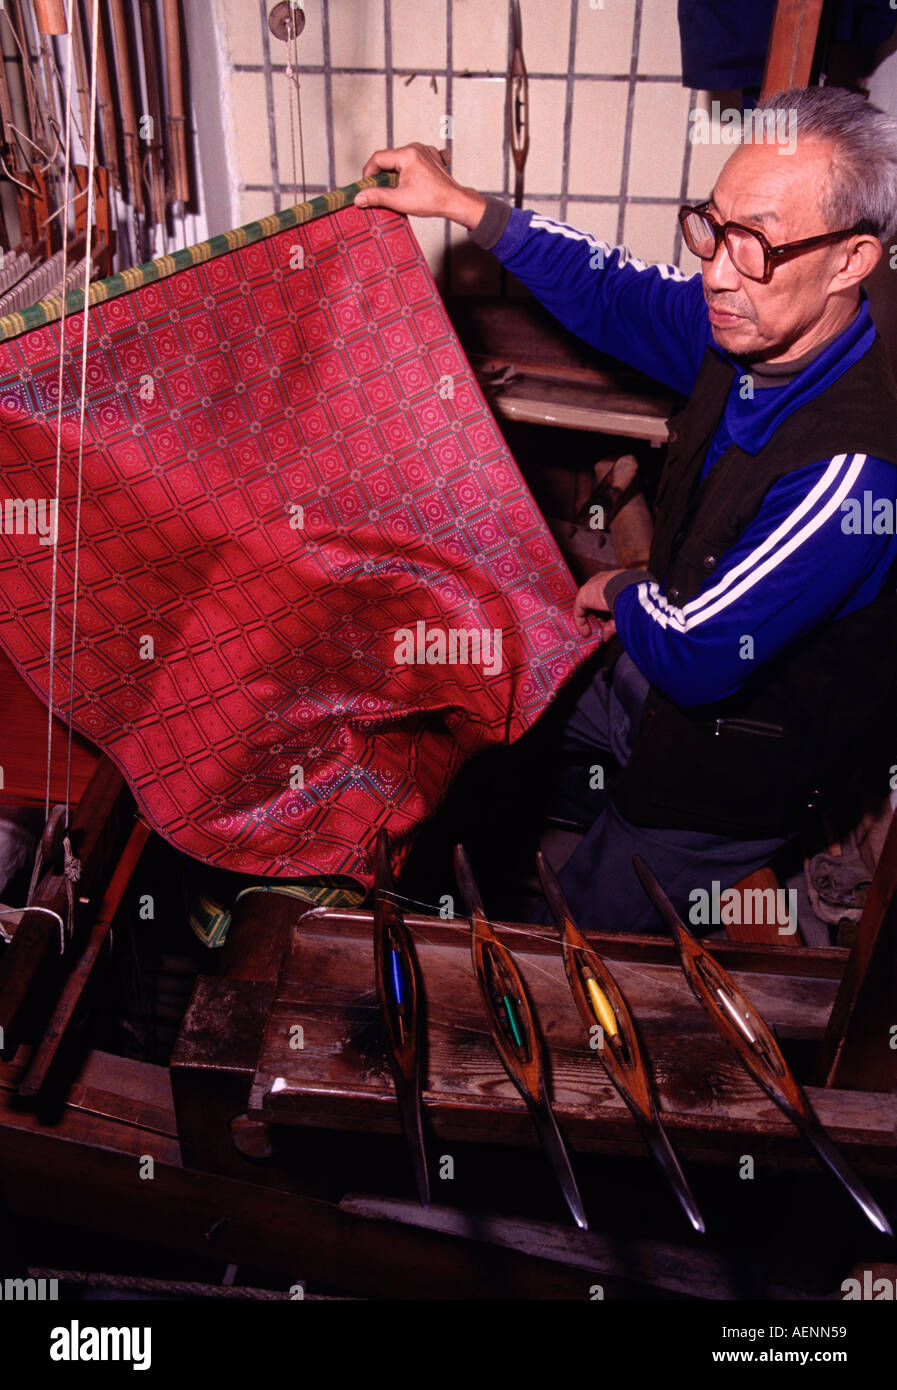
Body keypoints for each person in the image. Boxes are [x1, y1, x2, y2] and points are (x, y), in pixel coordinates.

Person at [355, 87, 897, 934]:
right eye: (713, 228)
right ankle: (560, 814)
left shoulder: (852, 473)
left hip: (730, 761)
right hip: (663, 658)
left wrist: (616, 589)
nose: (715, 270)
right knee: (512, 712)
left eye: (755, 244)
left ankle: (593, 904)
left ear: (850, 261)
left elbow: (697, 656)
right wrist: (462, 205)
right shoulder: (755, 320)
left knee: (588, 941)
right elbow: (613, 291)